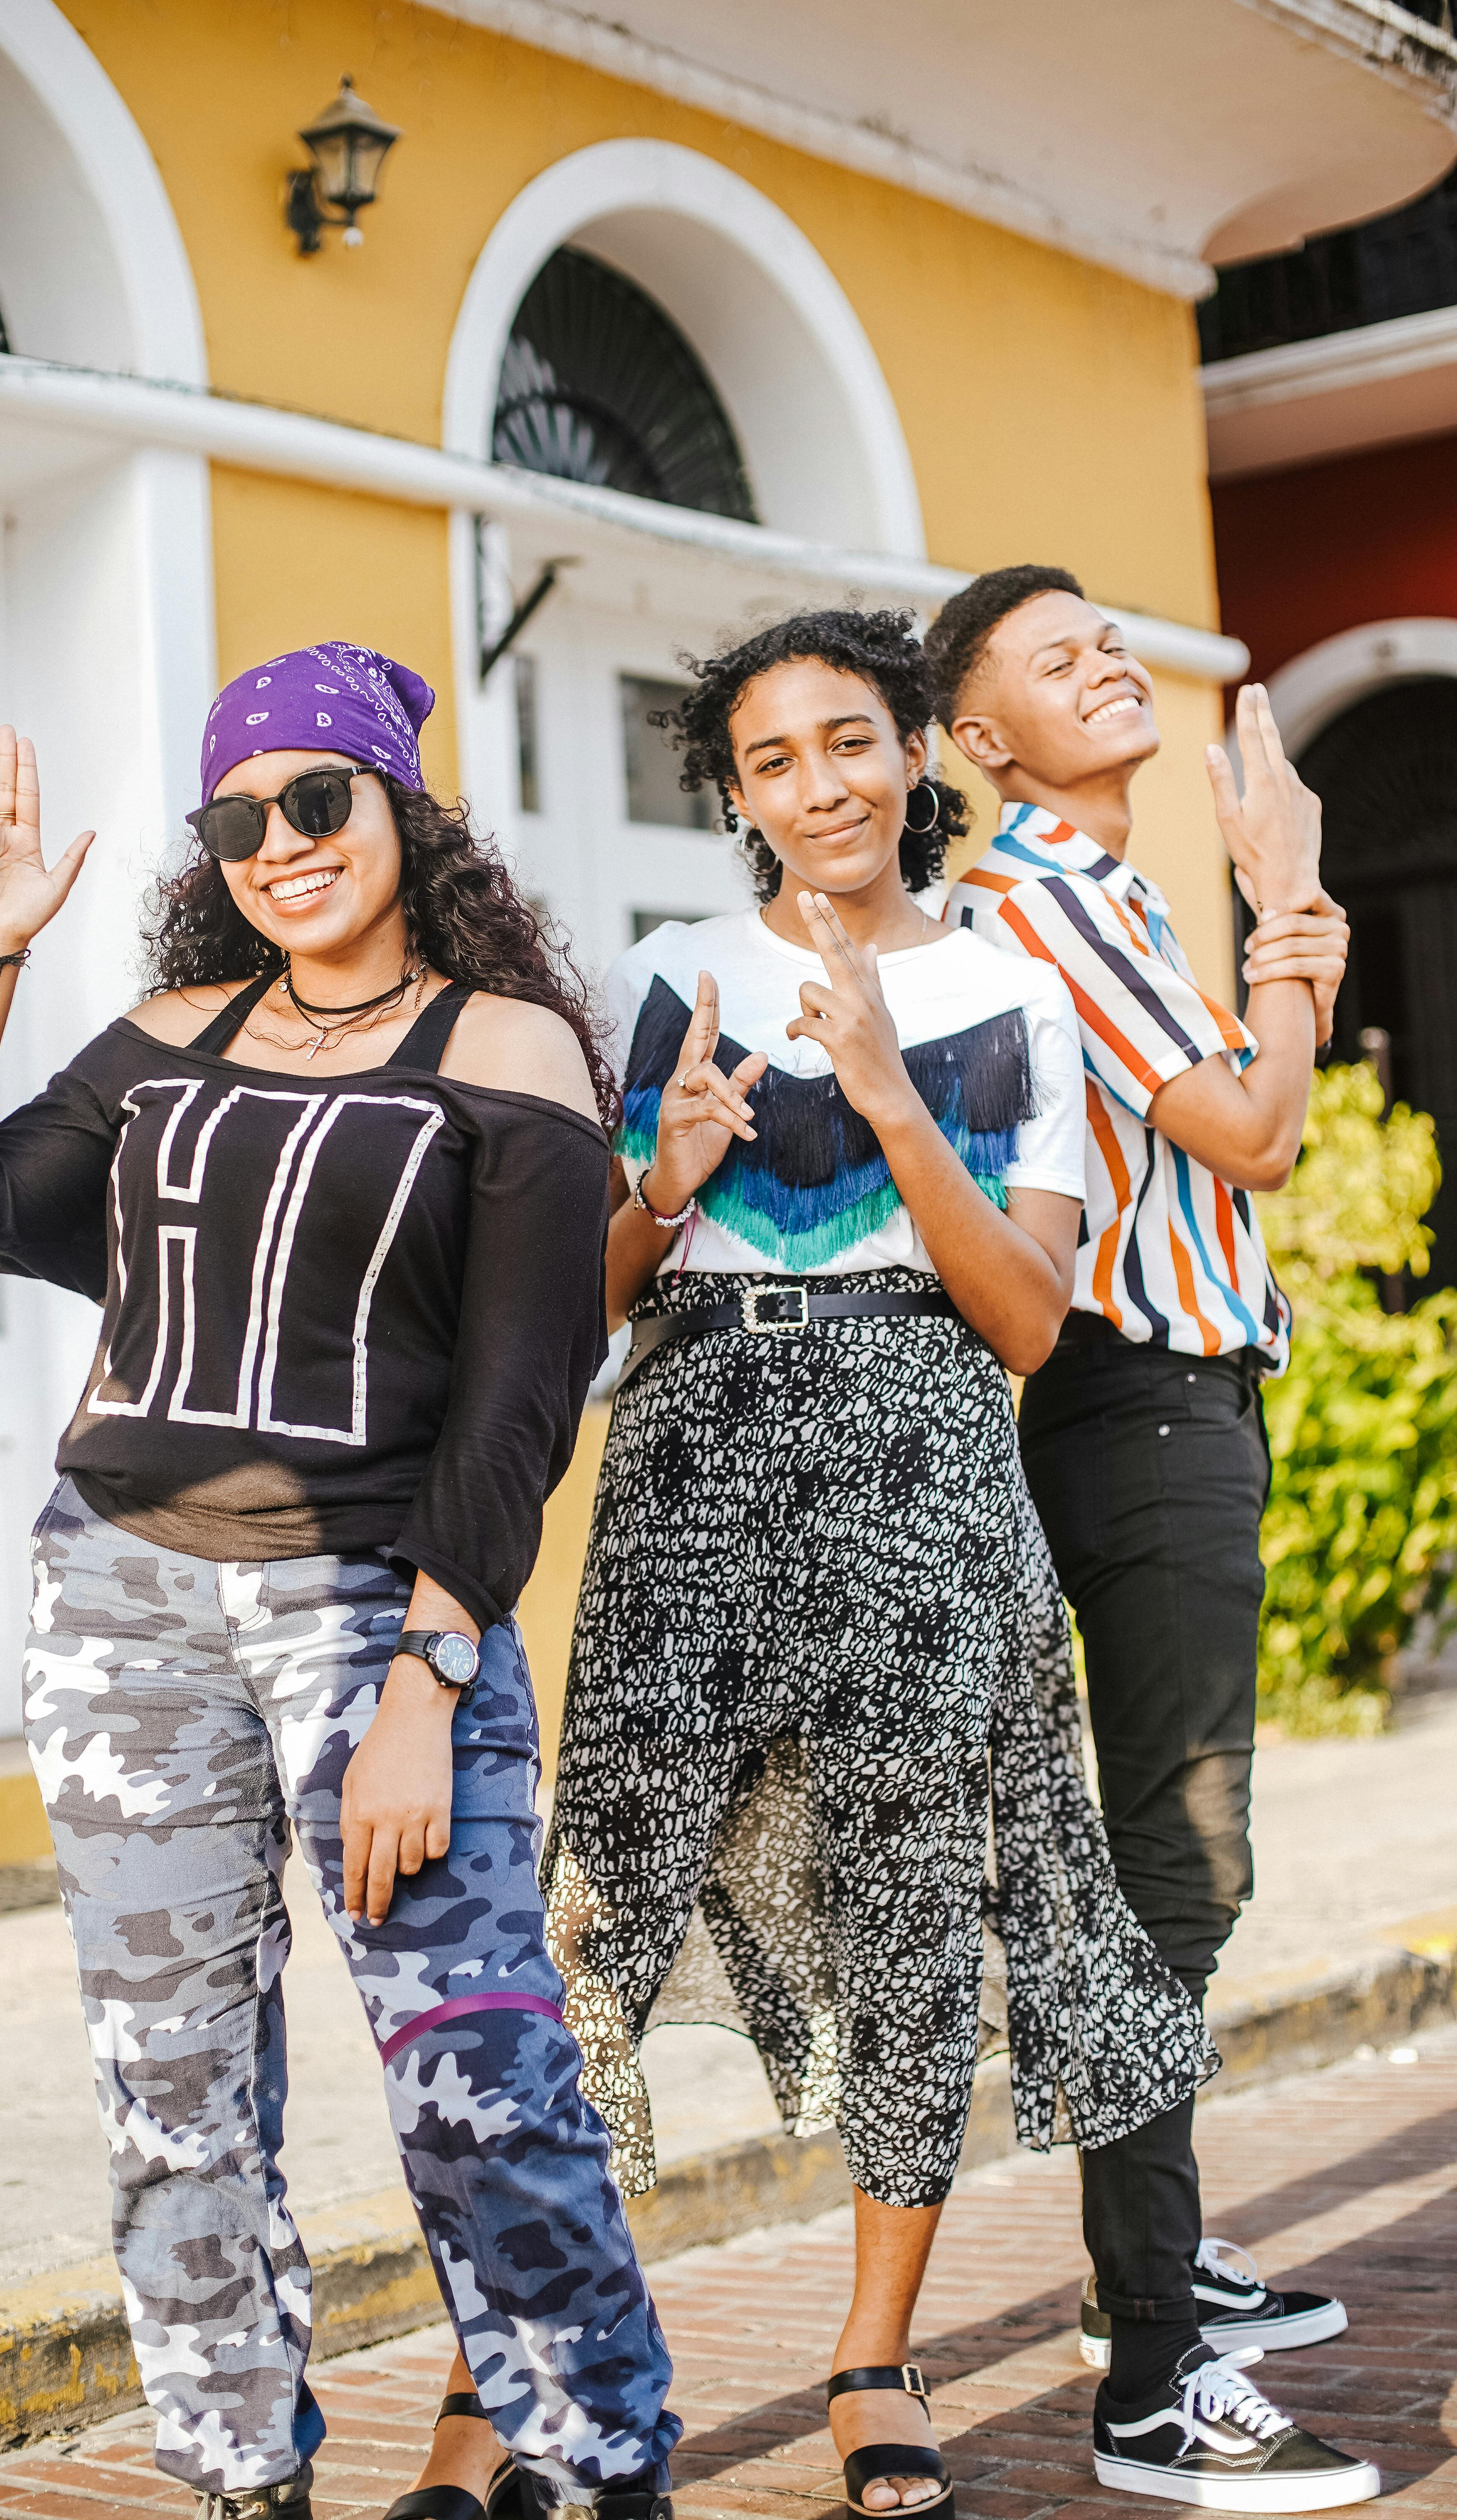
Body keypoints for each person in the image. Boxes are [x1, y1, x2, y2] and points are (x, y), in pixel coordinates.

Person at [0, 643, 681, 2520]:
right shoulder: (170, 1035)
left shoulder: (508, 1046)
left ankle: (594, 2463)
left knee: (480, 2078)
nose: (280, 843)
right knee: (173, 2100)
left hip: (373, 1603)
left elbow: (519, 1401)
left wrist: (428, 1684)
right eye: (240, 819)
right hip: (117, 1605)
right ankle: (242, 2477)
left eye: (319, 799)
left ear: (402, 809)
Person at [540, 608, 1219, 2520]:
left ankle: (871, 2358)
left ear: (915, 751)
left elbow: (1022, 1319)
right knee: (611, 1888)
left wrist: (894, 1093)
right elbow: (590, 1299)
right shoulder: (672, 975)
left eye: (849, 742)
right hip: (689, 1462)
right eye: (772, 760)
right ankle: (538, 2351)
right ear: (735, 791)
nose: (817, 787)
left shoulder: (1009, 985)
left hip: (923, 1455)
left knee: (915, 1904)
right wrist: (664, 1179)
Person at [931, 568, 1375, 2511]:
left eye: (1105, 637)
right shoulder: (1050, 901)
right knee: (1171, 1872)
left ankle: (1158, 2266)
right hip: (1141, 1406)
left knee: (1162, 1866)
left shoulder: (1091, 900)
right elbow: (1258, 1134)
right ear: (977, 739)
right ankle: (1147, 2368)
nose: (1104, 662)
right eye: (1053, 659)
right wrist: (1288, 900)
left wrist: (1278, 912)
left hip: (1158, 1408)